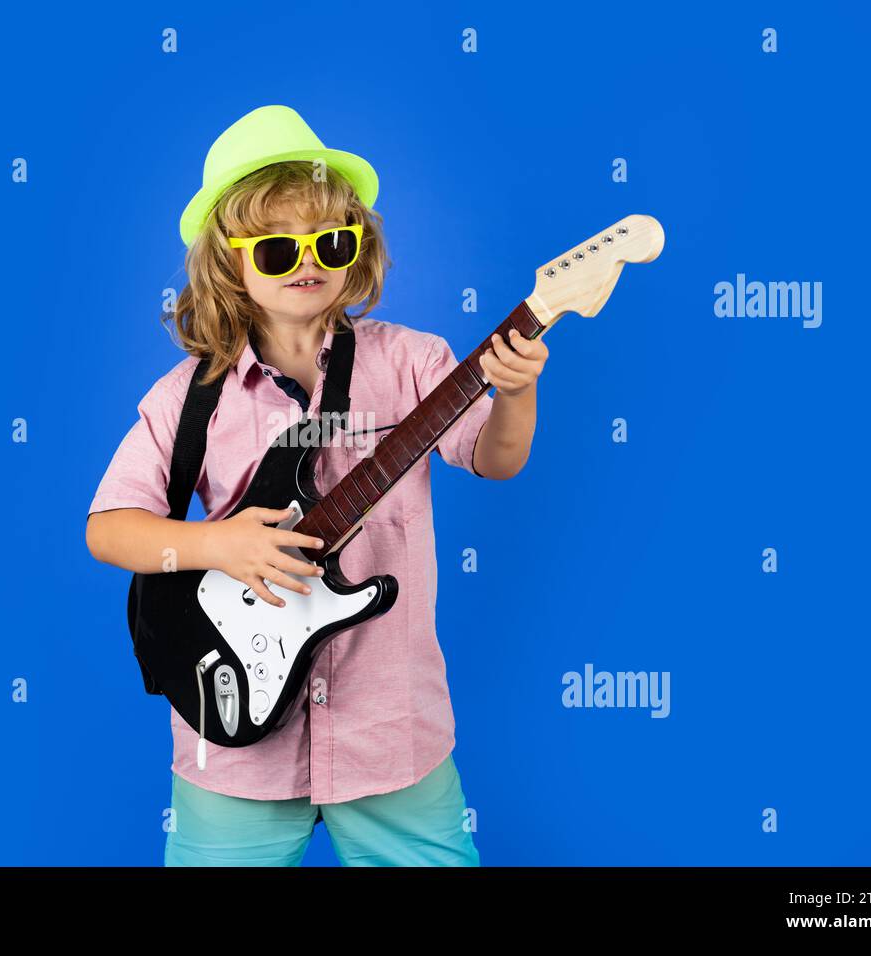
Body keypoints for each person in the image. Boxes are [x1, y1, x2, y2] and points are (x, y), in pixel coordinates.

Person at [85, 105, 548, 866]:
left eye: (332, 242)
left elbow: (495, 458)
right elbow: (108, 530)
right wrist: (219, 545)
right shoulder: (188, 399)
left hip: (391, 730)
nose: (309, 262)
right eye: (276, 248)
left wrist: (518, 393)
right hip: (234, 748)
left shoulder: (413, 365)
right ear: (230, 261)